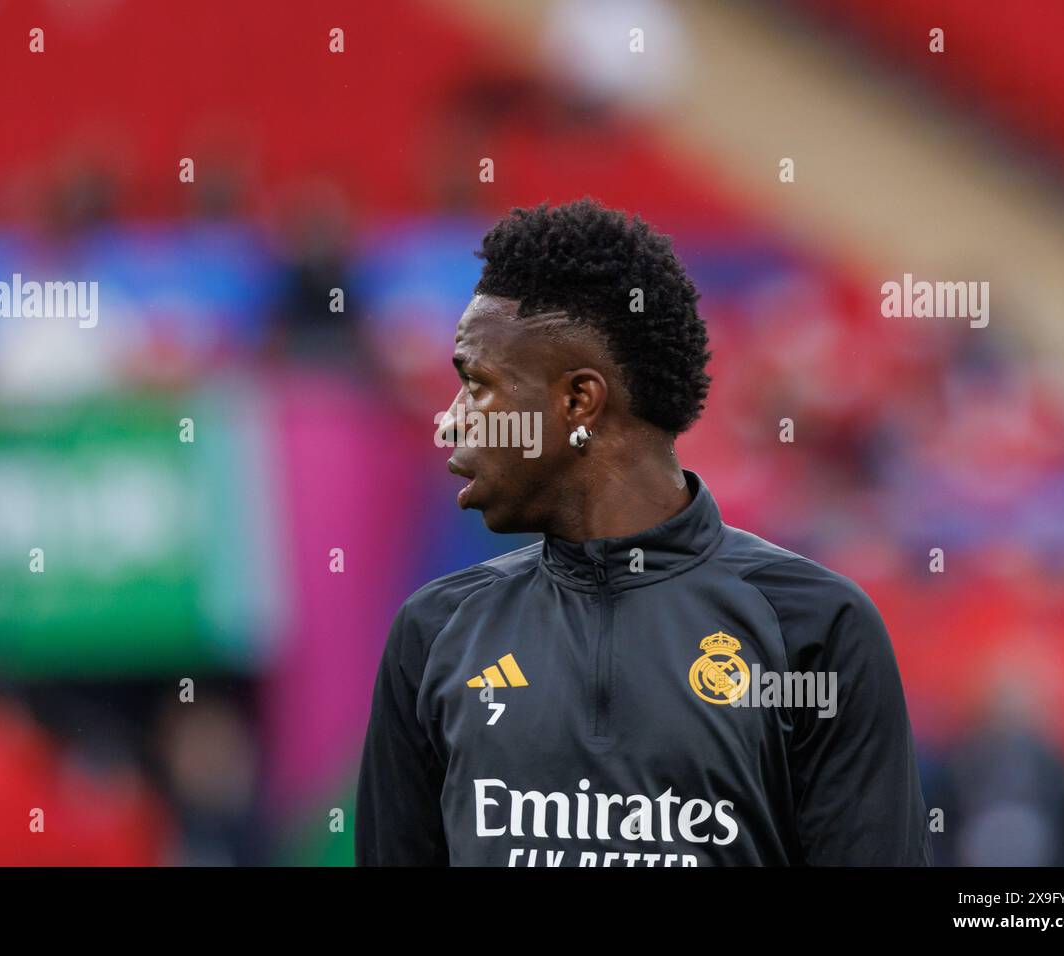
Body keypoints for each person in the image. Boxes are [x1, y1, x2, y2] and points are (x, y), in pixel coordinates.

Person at [356, 198, 931, 866]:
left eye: (477, 386)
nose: (451, 422)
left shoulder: (814, 631)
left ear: (578, 401)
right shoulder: (434, 635)